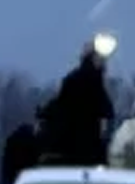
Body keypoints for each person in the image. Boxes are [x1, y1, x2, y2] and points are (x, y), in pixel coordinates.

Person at [36, 37, 116, 166]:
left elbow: (59, 103)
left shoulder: (78, 79)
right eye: (100, 58)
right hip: (84, 149)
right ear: (92, 58)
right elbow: (107, 111)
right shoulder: (90, 81)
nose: (103, 62)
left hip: (72, 147)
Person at [0, 113, 41, 184]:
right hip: (31, 176)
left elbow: (6, 164)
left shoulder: (12, 140)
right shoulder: (35, 141)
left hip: (15, 178)